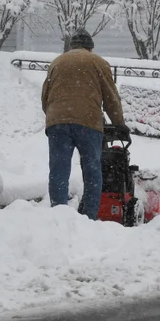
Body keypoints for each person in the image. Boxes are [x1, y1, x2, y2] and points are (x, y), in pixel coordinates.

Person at [41, 29, 128, 219]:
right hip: (88, 122)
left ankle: (58, 216)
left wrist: (57, 117)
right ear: (90, 47)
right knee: (92, 171)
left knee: (59, 170)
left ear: (71, 46)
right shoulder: (98, 62)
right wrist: (119, 124)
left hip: (58, 123)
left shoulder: (57, 62)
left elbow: (45, 96)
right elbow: (111, 98)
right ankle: (89, 217)